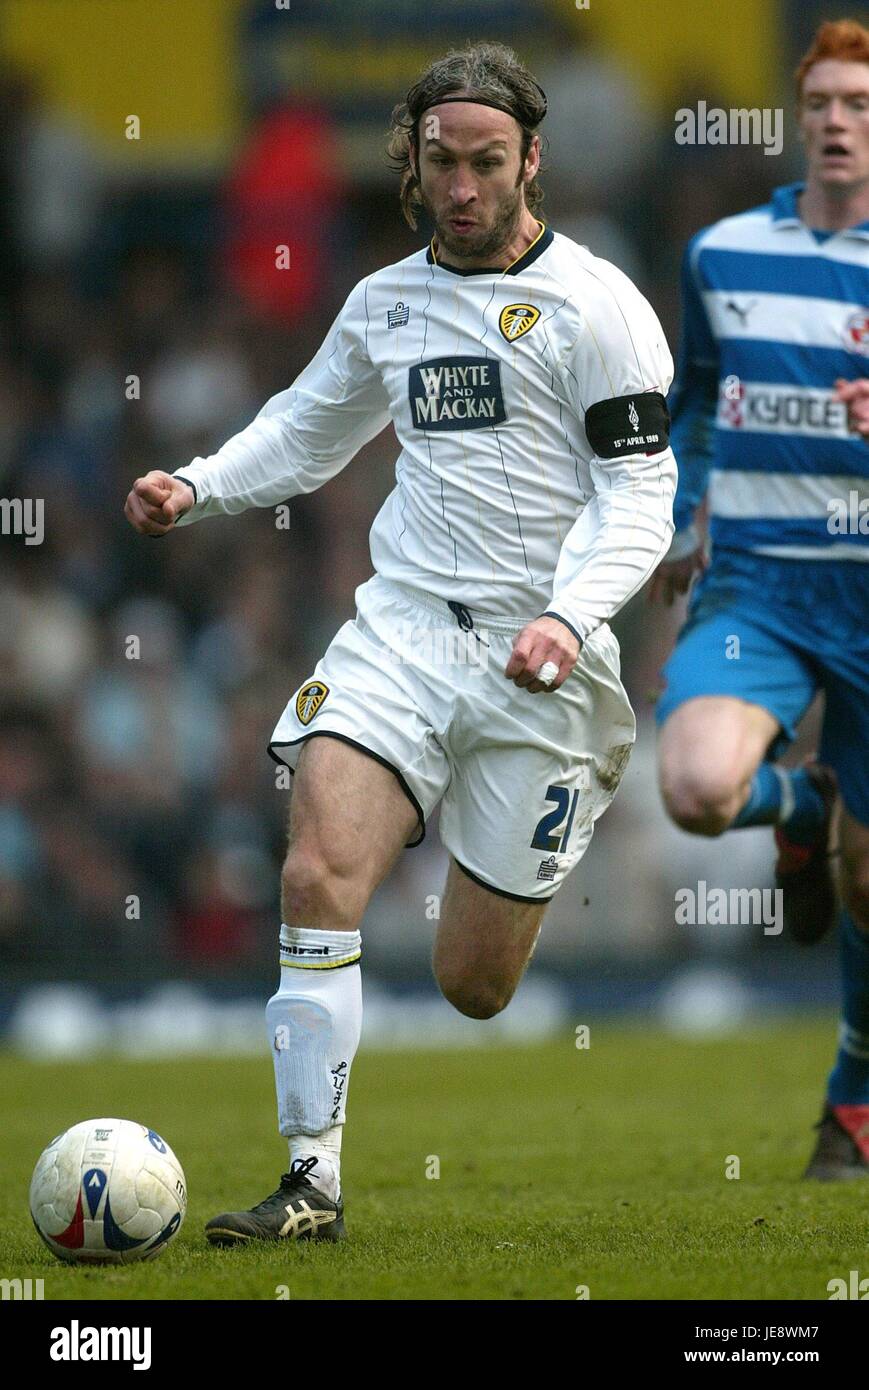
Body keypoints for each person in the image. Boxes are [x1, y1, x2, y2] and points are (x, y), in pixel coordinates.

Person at [125, 42, 676, 1243]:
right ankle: (310, 1181)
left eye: (487, 164)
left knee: (474, 984)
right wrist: (199, 483)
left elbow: (640, 497)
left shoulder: (597, 307)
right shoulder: (385, 302)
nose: (463, 188)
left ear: (532, 159)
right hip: (406, 632)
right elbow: (308, 429)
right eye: (442, 164)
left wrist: (566, 616)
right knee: (317, 867)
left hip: (546, 666)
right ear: (411, 164)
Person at [650, 19, 869, 1180]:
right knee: (691, 787)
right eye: (822, 101)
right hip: (760, 586)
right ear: (798, 117)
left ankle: (849, 1099)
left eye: (859, 102)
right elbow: (690, 404)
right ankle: (799, 800)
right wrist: (678, 511)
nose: (838, 120)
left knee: (868, 883)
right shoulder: (721, 253)